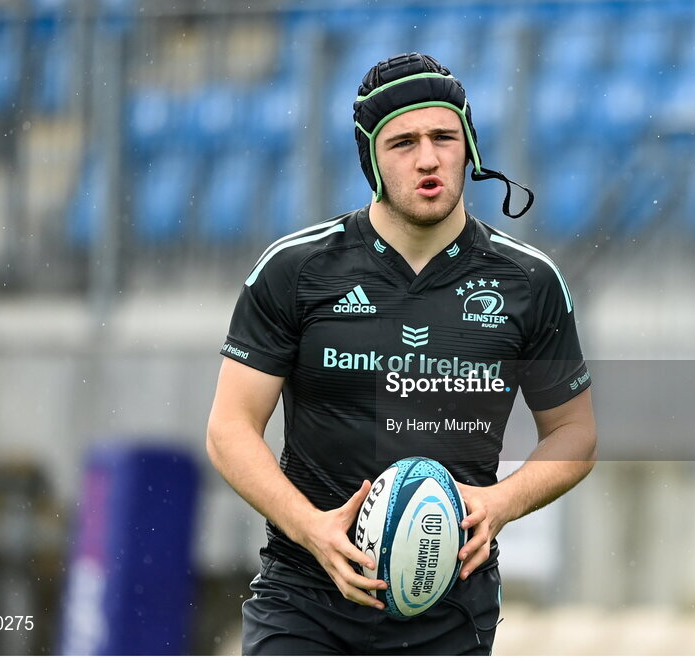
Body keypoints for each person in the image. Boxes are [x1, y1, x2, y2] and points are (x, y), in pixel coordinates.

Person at [206, 52, 596, 655]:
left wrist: (500, 503)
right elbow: (229, 428)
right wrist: (312, 530)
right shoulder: (297, 269)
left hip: (449, 608)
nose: (428, 158)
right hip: (303, 598)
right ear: (371, 159)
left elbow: (575, 433)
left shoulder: (527, 281)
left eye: (445, 136)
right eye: (402, 142)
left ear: (468, 146)